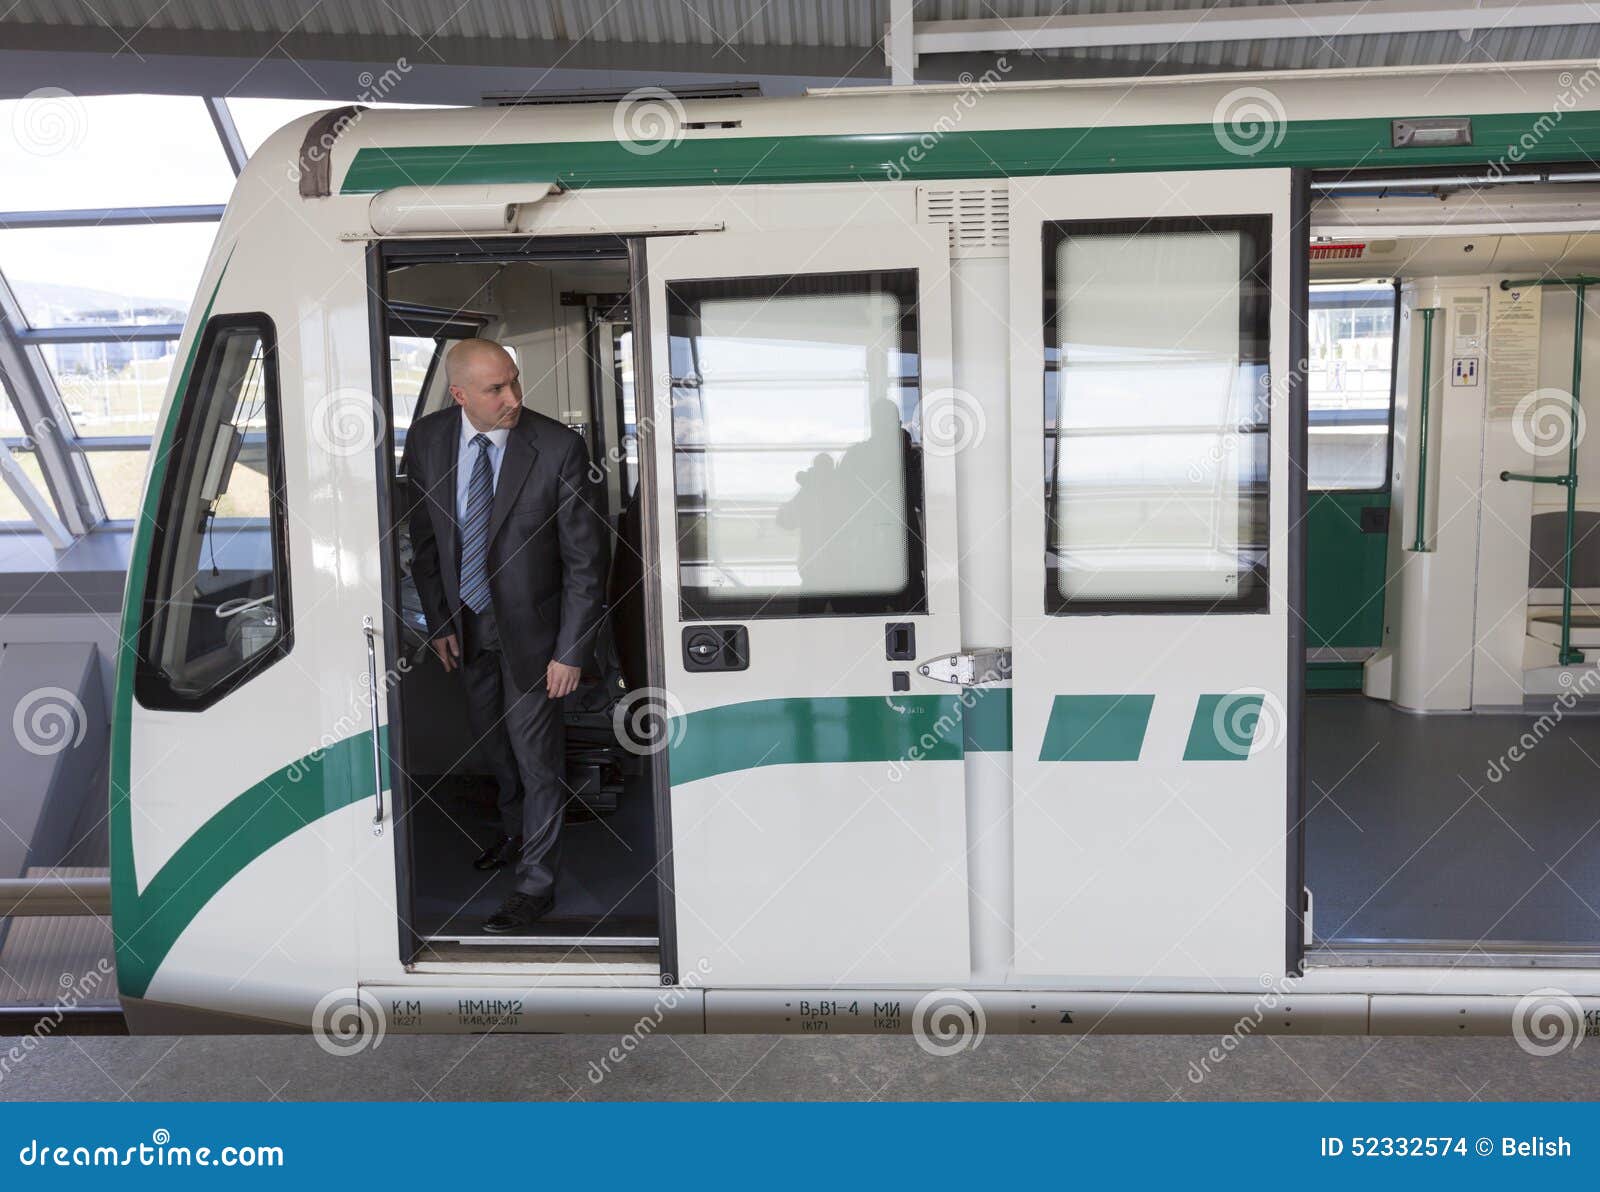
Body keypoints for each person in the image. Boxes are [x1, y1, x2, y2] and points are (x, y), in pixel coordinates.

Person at [401, 338, 608, 933]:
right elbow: (426, 541)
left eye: (514, 382)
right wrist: (440, 622)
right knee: (493, 741)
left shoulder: (558, 447)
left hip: (536, 635)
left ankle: (536, 884)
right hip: (466, 625)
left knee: (538, 759)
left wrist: (570, 651)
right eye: (496, 389)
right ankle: (517, 834)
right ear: (459, 394)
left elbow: (586, 563)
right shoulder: (428, 439)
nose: (513, 397)